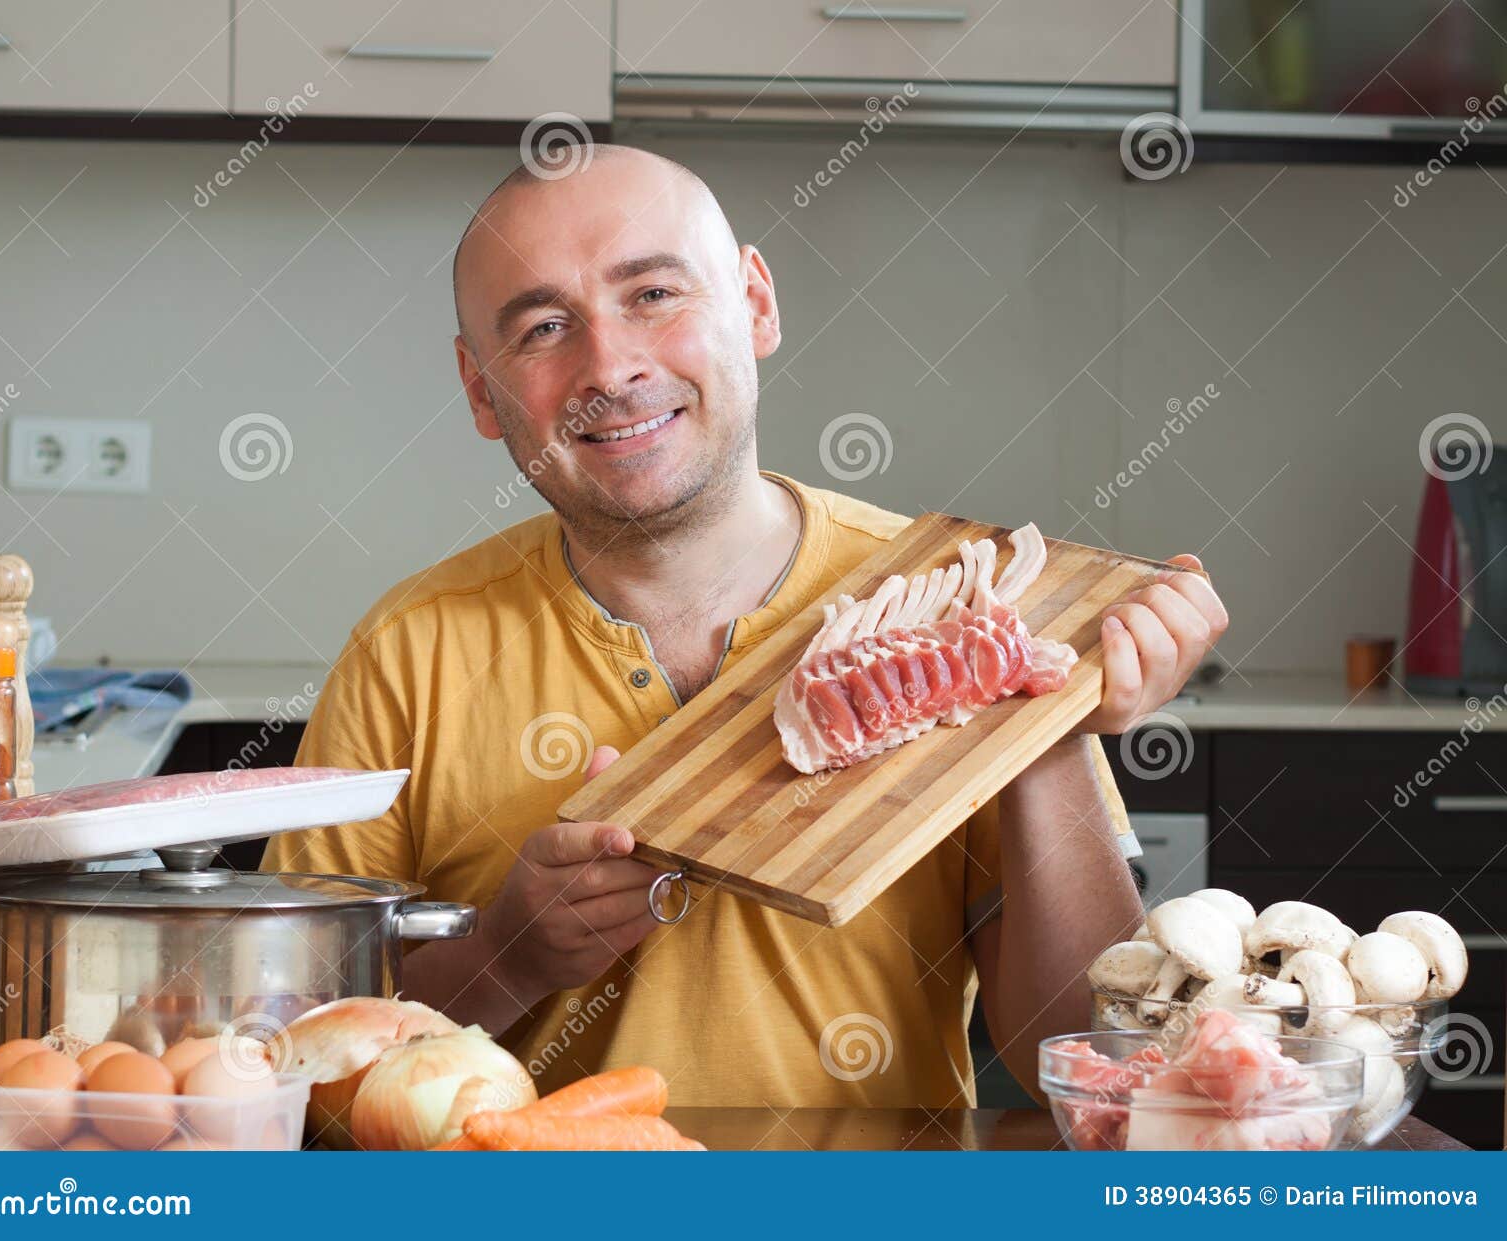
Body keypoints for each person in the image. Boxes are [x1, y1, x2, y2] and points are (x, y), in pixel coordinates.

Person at [262, 144, 1228, 1108]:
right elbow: (286, 1063)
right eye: (545, 327)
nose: (612, 365)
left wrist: (1038, 717)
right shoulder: (406, 654)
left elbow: (1089, 1059)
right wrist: (508, 957)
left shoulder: (953, 604)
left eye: (653, 295)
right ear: (482, 388)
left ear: (756, 303)